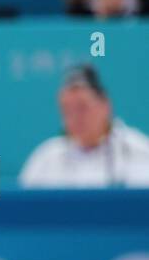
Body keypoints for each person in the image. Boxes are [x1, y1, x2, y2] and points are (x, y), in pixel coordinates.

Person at [19, 66, 149, 188]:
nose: (75, 118)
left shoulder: (139, 152)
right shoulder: (46, 159)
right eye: (67, 110)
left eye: (82, 108)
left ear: (105, 105)